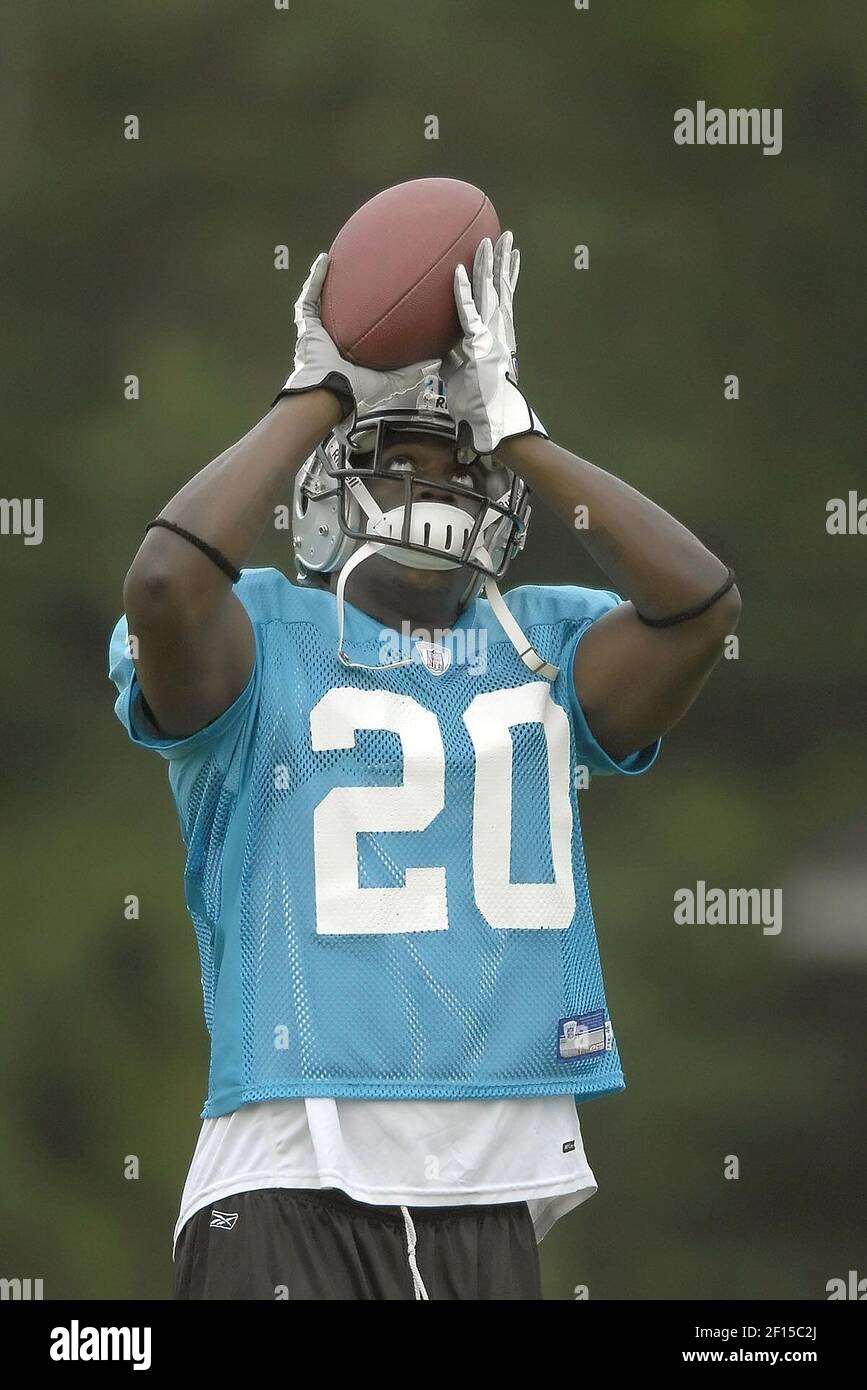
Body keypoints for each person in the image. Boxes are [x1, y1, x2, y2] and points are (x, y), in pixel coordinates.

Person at [109, 231, 740, 1300]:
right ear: (328, 484)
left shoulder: (546, 642)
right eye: (397, 462)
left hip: (494, 1197)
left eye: (463, 467)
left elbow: (702, 606)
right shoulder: (259, 635)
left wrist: (522, 431)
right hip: (290, 1177)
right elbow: (165, 584)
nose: (435, 491)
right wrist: (316, 393)